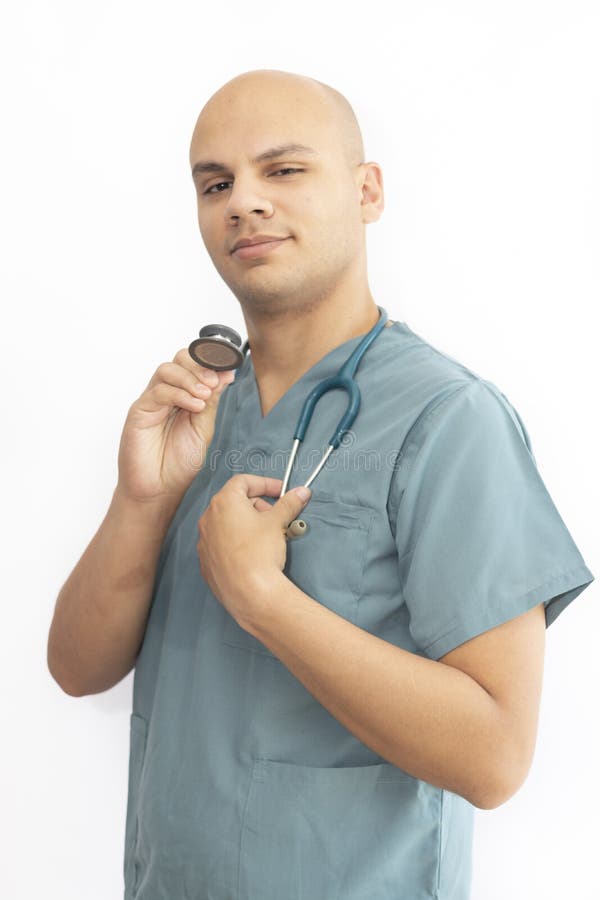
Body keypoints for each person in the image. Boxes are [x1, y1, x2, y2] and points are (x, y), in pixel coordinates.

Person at [47, 68, 595, 900]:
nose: (244, 202)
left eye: (284, 170)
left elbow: (495, 757)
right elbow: (76, 667)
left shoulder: (450, 421)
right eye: (216, 184)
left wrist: (263, 599)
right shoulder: (200, 411)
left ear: (367, 190)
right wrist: (143, 499)